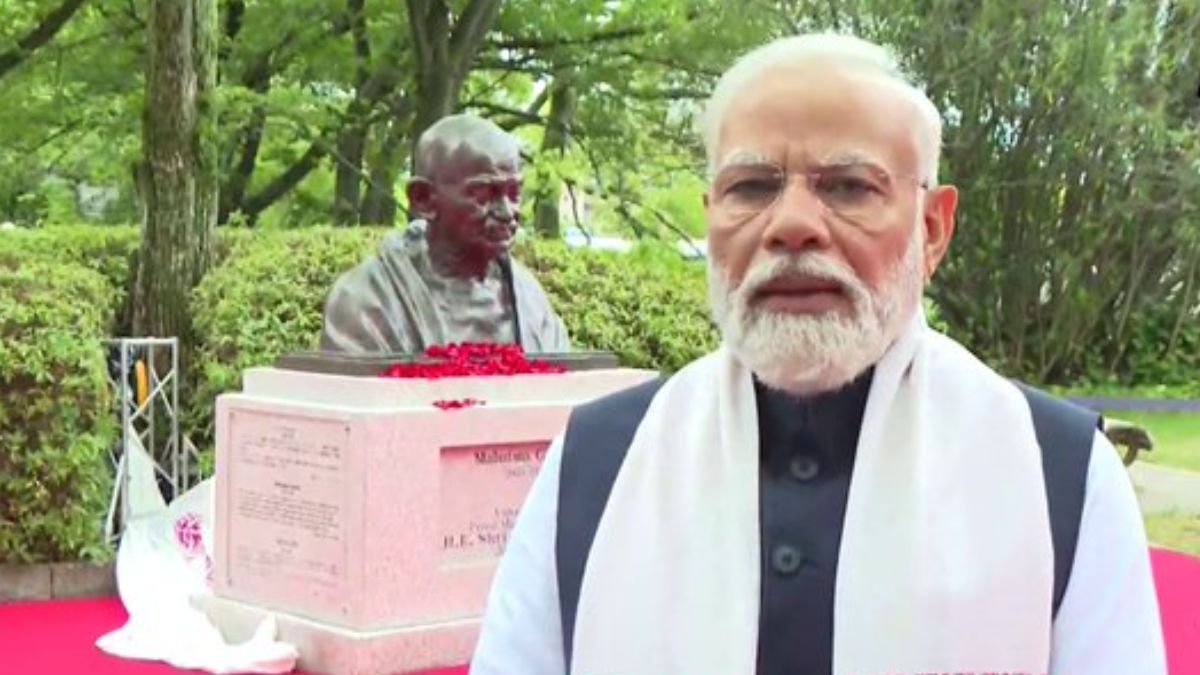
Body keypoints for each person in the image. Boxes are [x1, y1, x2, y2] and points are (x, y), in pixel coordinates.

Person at [470, 32, 1166, 675]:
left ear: (931, 228)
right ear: (712, 211)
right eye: (752, 187)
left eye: (848, 186)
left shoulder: (1060, 472)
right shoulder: (598, 458)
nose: (793, 225)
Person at [319, 114, 571, 354]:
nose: (507, 212)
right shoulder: (366, 301)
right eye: (484, 195)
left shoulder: (530, 301)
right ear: (424, 199)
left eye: (514, 193)